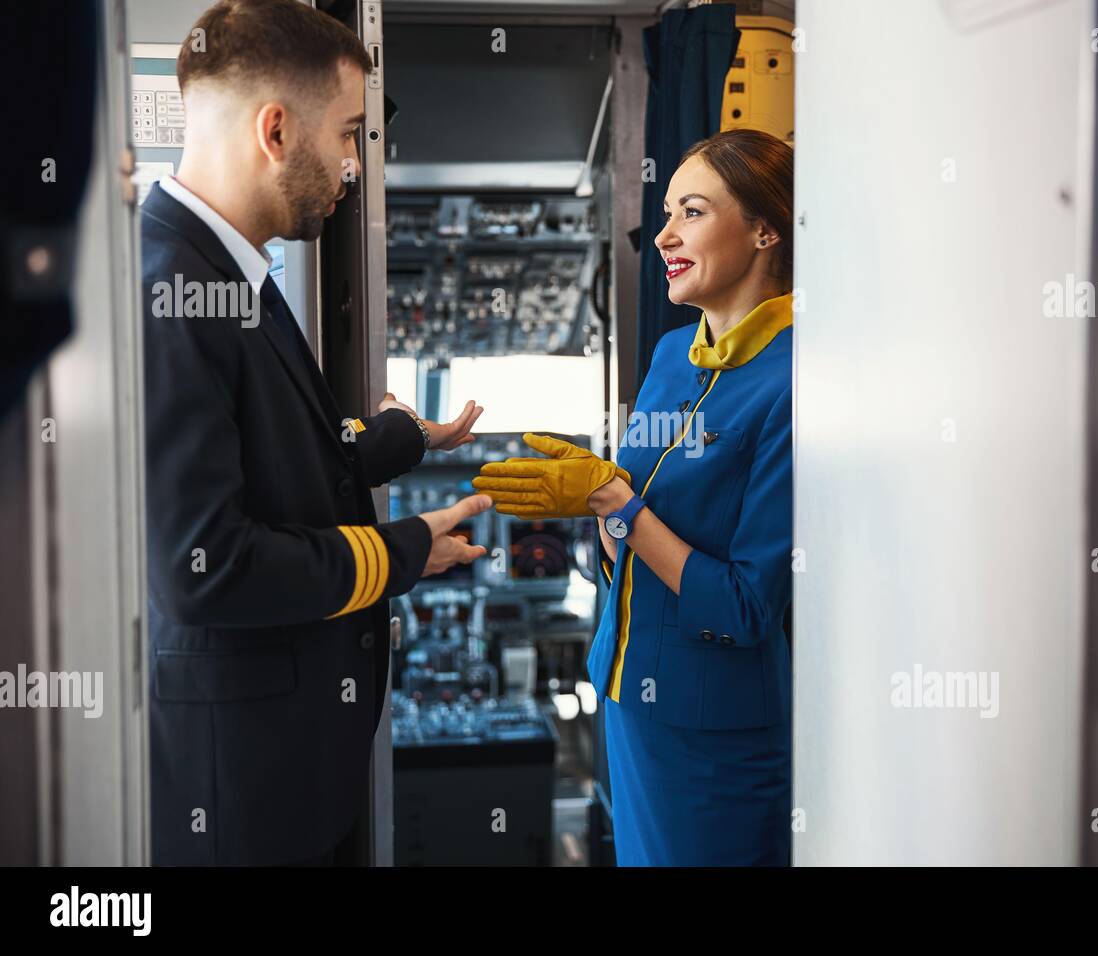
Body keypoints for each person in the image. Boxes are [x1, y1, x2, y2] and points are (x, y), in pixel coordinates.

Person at [142, 0, 490, 866]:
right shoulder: (174, 293)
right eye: (348, 134)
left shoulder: (228, 269)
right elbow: (209, 569)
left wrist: (406, 441)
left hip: (283, 772)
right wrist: (402, 551)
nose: (351, 166)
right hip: (244, 800)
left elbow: (279, 460)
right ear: (275, 129)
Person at [474, 128, 794, 865]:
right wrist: (599, 510)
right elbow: (634, 531)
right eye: (668, 212)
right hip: (626, 699)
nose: (665, 235)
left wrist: (616, 503)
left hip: (717, 734)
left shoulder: (794, 381)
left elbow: (747, 606)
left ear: (766, 229)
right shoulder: (670, 356)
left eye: (693, 212)